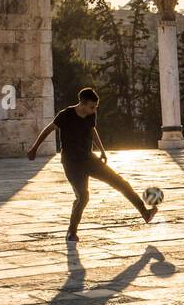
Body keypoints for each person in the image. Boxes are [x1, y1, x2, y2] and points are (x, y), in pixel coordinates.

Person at [26, 86, 157, 242]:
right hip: (72, 163)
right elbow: (48, 130)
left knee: (120, 182)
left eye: (96, 107)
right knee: (83, 196)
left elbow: (92, 131)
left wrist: (101, 150)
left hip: (89, 159)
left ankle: (145, 213)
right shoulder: (65, 115)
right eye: (91, 107)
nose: (94, 110)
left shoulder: (90, 115)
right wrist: (34, 148)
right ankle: (71, 232)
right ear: (82, 103)